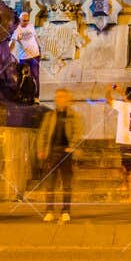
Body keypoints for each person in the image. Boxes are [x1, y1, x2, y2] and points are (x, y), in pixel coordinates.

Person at [36, 88, 82, 223]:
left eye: (62, 97)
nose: (59, 99)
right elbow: (42, 134)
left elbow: (77, 133)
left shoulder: (74, 116)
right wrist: (41, 149)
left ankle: (66, 211)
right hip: (52, 153)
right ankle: (49, 210)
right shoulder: (49, 116)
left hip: (66, 153)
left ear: (68, 100)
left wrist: (72, 146)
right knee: (50, 184)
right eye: (58, 97)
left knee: (67, 185)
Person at [106, 82, 131, 203]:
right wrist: (120, 90)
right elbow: (127, 98)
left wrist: (108, 90)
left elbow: (108, 99)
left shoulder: (122, 106)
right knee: (124, 166)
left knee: (130, 169)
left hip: (126, 142)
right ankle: (124, 185)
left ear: (125, 96)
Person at [10, 4, 41, 99]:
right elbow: (12, 43)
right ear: (20, 20)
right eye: (24, 21)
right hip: (23, 57)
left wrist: (40, 49)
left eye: (27, 20)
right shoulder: (16, 29)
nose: (26, 22)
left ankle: (36, 97)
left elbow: (36, 38)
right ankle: (22, 95)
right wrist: (8, 52)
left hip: (35, 55)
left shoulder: (31, 26)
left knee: (35, 76)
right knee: (22, 77)